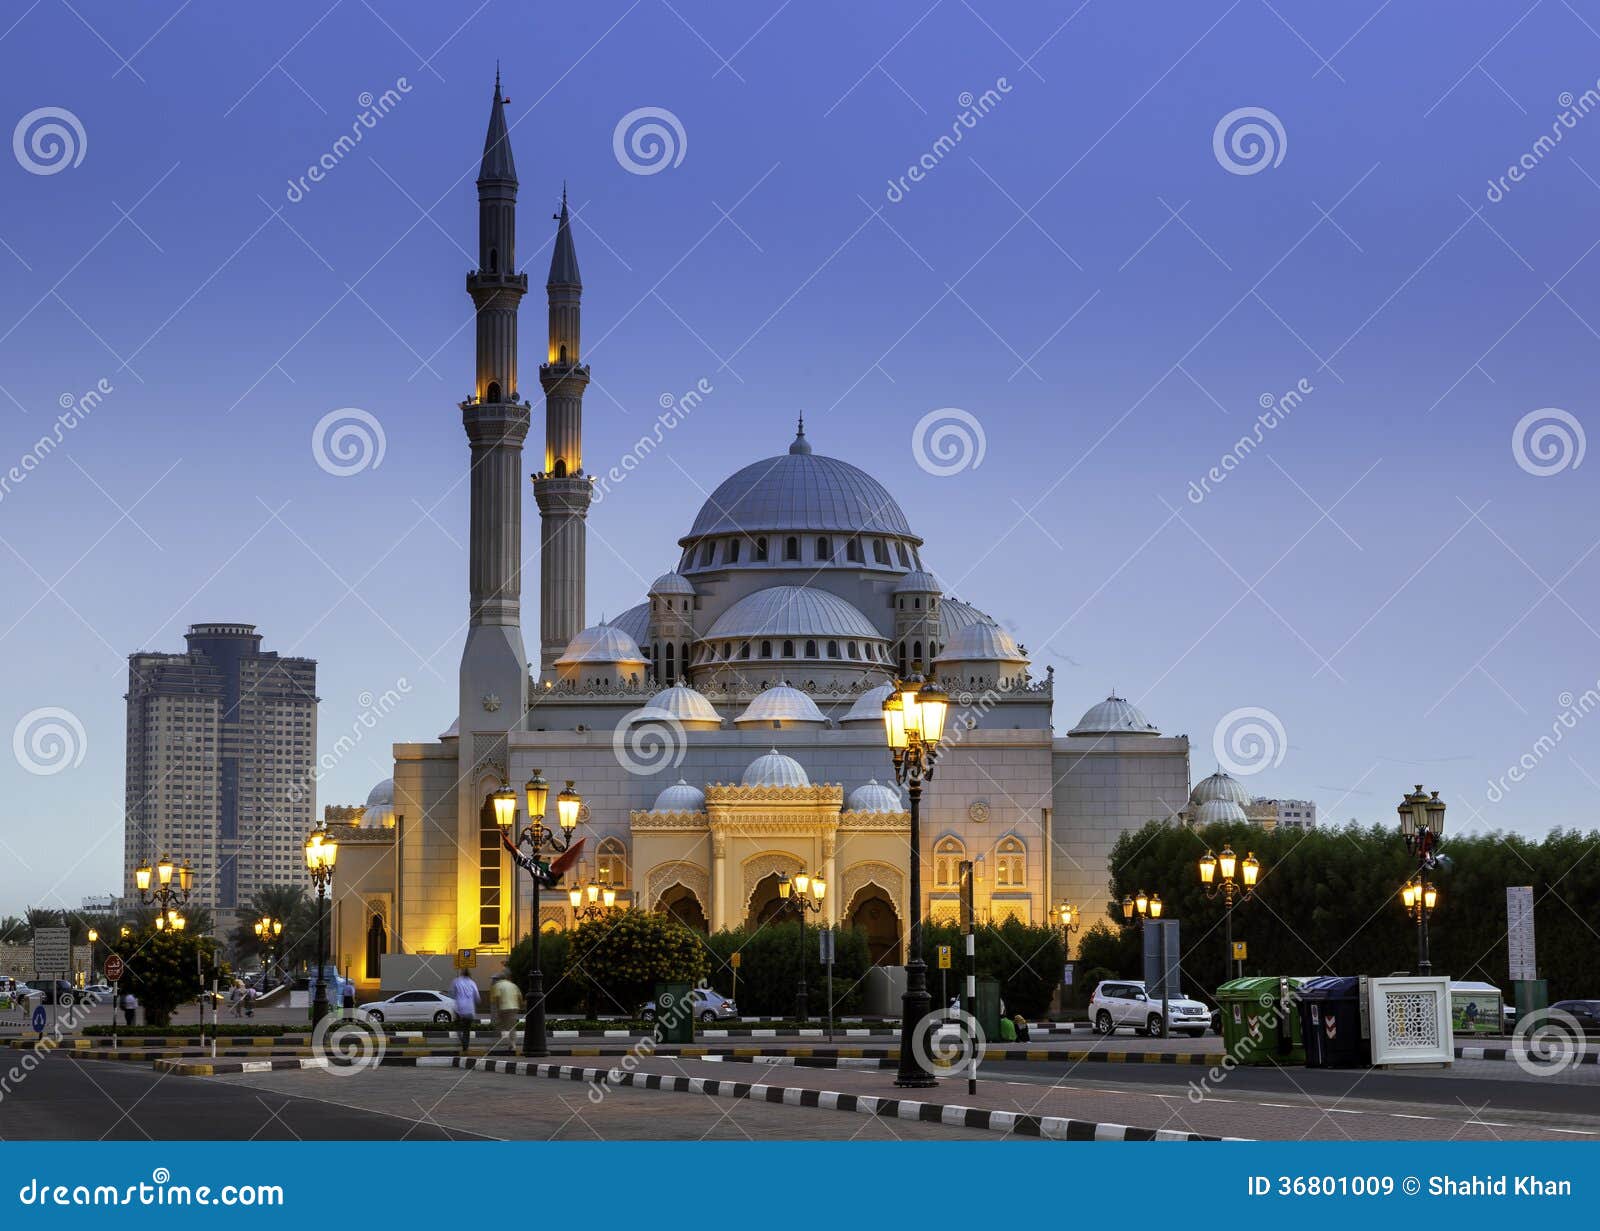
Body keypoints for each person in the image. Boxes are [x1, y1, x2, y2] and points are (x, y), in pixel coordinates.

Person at [490, 970, 523, 1055]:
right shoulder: (513, 985)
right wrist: (521, 1006)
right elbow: (519, 997)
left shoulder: (497, 985)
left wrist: (497, 1008)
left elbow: (497, 998)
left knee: (498, 1024)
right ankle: (512, 1044)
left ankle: (497, 1043)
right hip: (514, 1008)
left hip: (503, 1008)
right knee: (511, 1026)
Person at [450, 969, 480, 1055]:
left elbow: (451, 993)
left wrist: (457, 996)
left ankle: (462, 1039)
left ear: (462, 973)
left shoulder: (456, 981)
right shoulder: (472, 983)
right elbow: (477, 998)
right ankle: (465, 1046)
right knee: (467, 1030)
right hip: (470, 1010)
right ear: (469, 974)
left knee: (458, 1026)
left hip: (459, 1009)